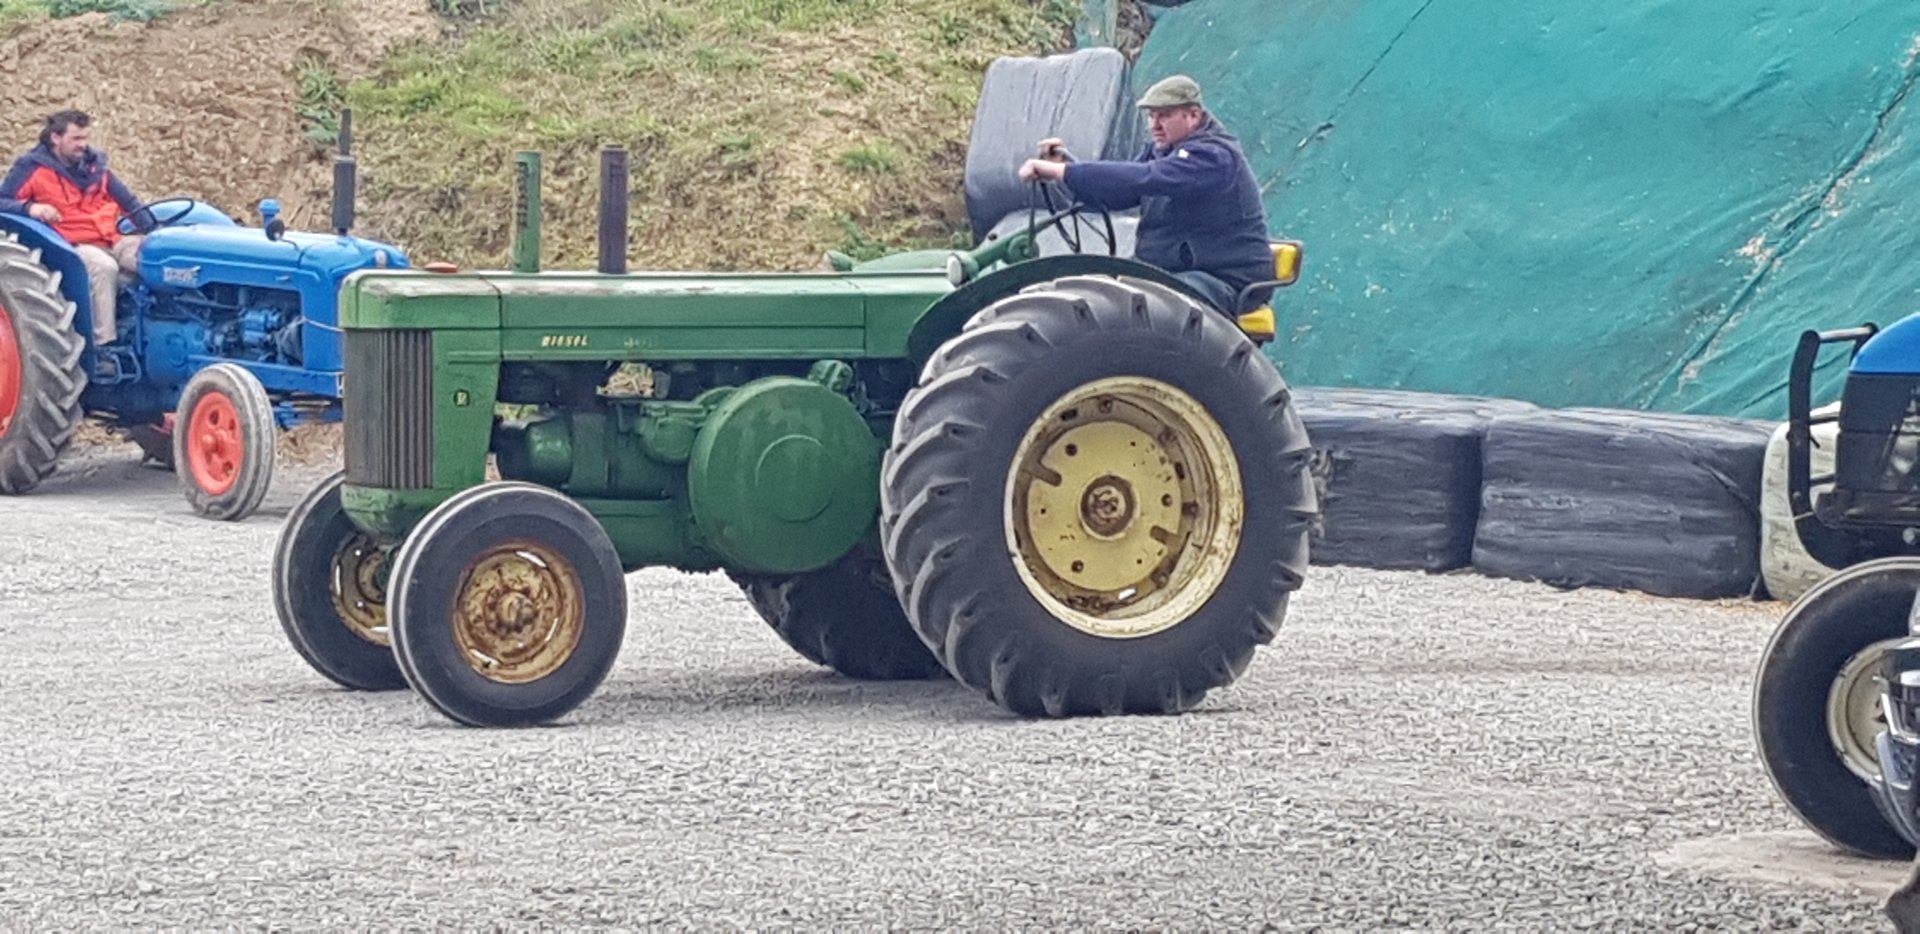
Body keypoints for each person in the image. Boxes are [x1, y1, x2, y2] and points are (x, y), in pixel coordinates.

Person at [1016, 74, 1276, 315]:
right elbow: (1121, 192)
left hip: (1221, 279)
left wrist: (1066, 171)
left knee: (1136, 308)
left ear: (1193, 116)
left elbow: (1144, 177)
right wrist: (1068, 171)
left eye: (1164, 116)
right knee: (1089, 292)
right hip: (1169, 270)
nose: (1155, 125)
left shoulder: (1213, 156)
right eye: (1151, 116)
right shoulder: (1161, 151)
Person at [0, 109, 145, 345]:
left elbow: (130, 203)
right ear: (56, 138)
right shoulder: (32, 168)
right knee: (104, 267)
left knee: (152, 257)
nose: (83, 145)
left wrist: (153, 230)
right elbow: (2, 201)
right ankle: (104, 345)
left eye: (85, 138)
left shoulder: (96, 167)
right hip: (70, 244)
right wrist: (30, 208)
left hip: (110, 238)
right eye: (76, 139)